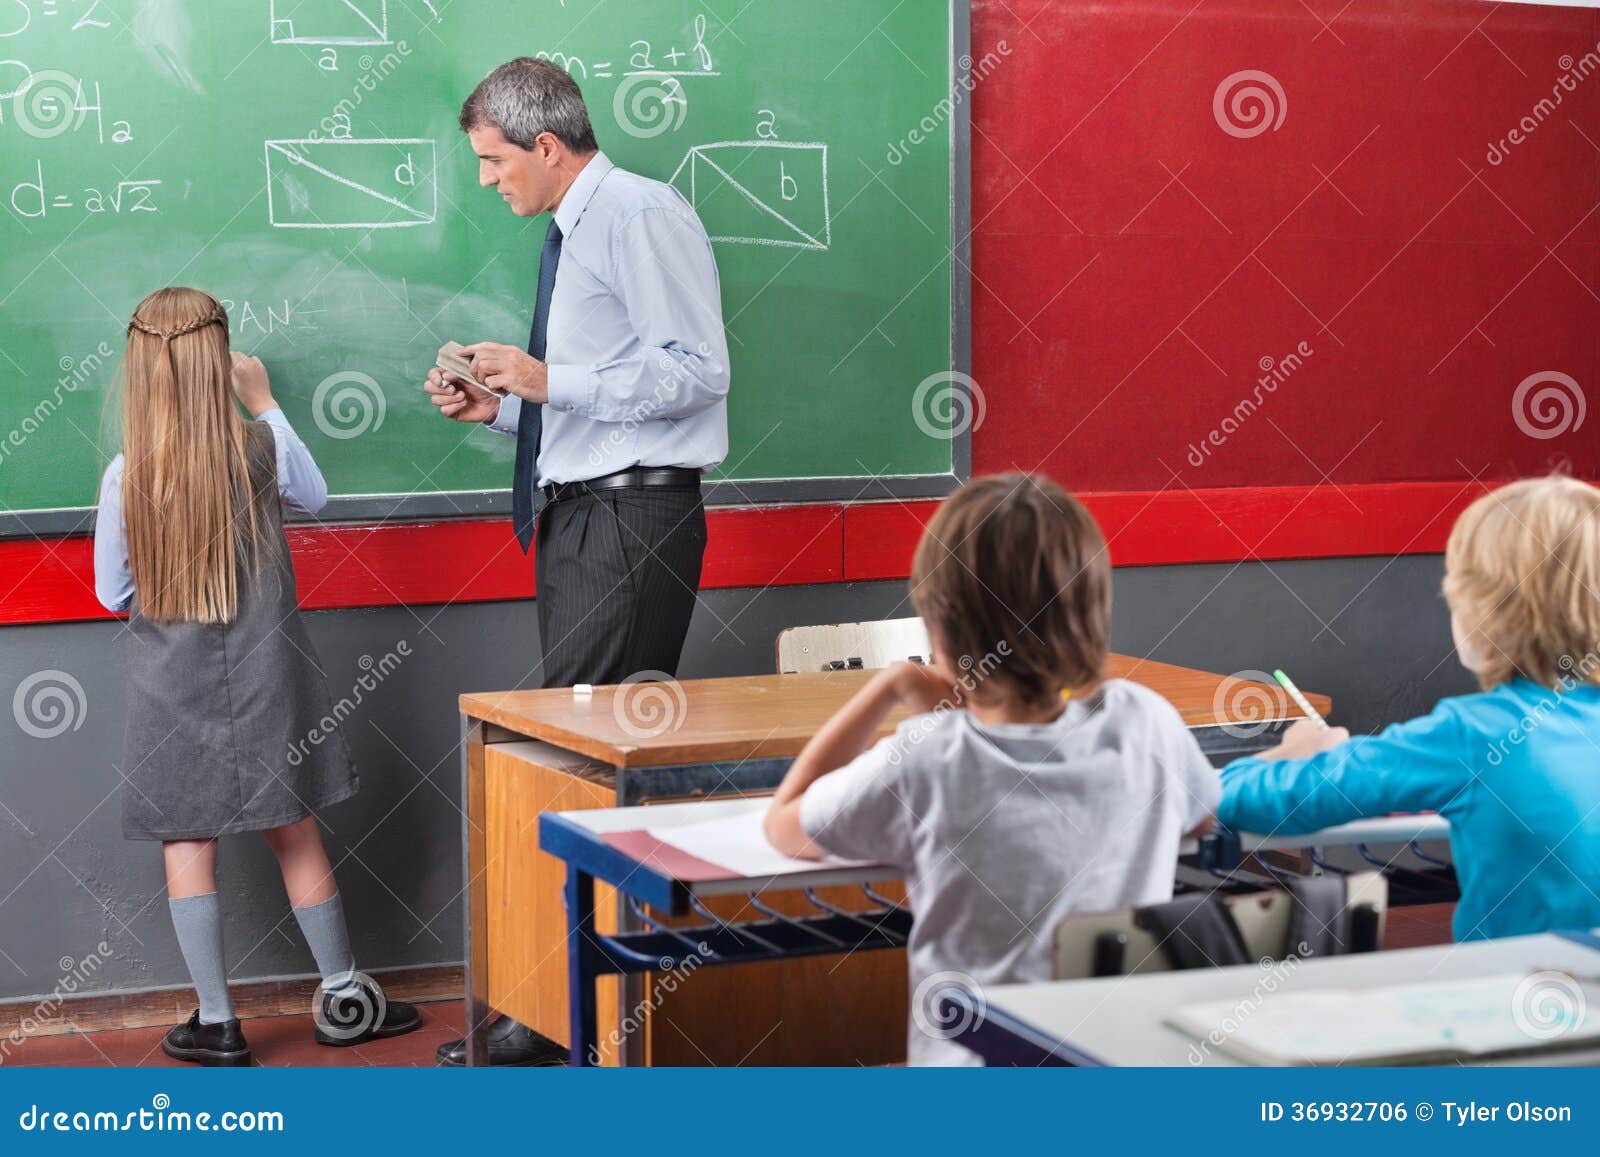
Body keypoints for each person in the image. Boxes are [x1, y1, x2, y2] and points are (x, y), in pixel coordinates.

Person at [426, 57, 730, 1067]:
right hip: (584, 518)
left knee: (576, 764)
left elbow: (697, 371)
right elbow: (594, 401)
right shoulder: (574, 226)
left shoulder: (637, 214)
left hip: (630, 524)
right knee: (578, 756)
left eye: (493, 160)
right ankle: (576, 1006)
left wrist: (556, 378)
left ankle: (565, 1012)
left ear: (546, 145)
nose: (486, 180)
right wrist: (508, 404)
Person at [763, 473, 1221, 1066]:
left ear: (942, 635)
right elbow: (1201, 819)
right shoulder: (1146, 724)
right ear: (1091, 612)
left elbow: (784, 826)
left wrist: (891, 687)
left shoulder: (925, 760)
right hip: (1116, 1071)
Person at [93, 287, 420, 1066]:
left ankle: (218, 1020)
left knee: (187, 840)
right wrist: (265, 401)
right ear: (219, 359)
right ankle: (344, 996)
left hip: (168, 684)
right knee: (295, 826)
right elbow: (317, 494)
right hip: (269, 673)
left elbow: (112, 593)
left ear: (140, 373)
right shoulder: (259, 450)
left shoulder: (126, 473)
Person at [1219, 475, 1600, 941]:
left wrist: (1288, 755)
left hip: (1512, 999)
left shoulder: (1476, 734)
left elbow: (1249, 801)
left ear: (1485, 608)